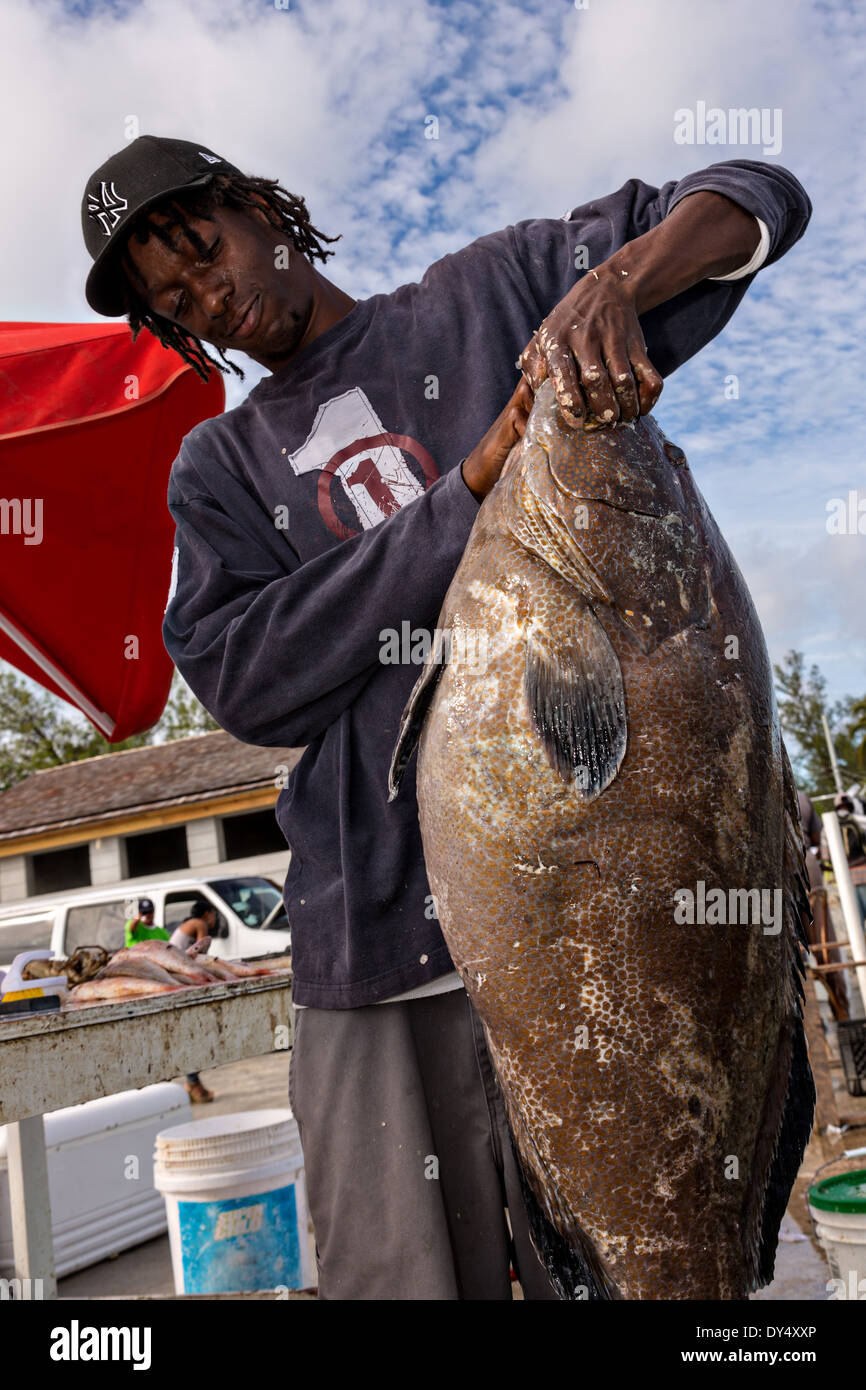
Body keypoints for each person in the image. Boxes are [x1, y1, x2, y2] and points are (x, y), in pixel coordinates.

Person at [81, 135, 811, 1300]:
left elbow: (753, 199)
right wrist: (463, 490)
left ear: (259, 206)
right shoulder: (216, 466)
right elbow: (246, 678)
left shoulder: (493, 292)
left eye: (203, 252)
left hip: (611, 924)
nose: (208, 299)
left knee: (669, 1245)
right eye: (174, 302)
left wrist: (612, 288)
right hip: (378, 953)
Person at [797, 790, 848, 1021]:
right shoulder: (801, 796)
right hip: (806, 863)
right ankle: (841, 1010)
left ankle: (814, 1021)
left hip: (774, 868)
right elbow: (816, 839)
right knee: (825, 944)